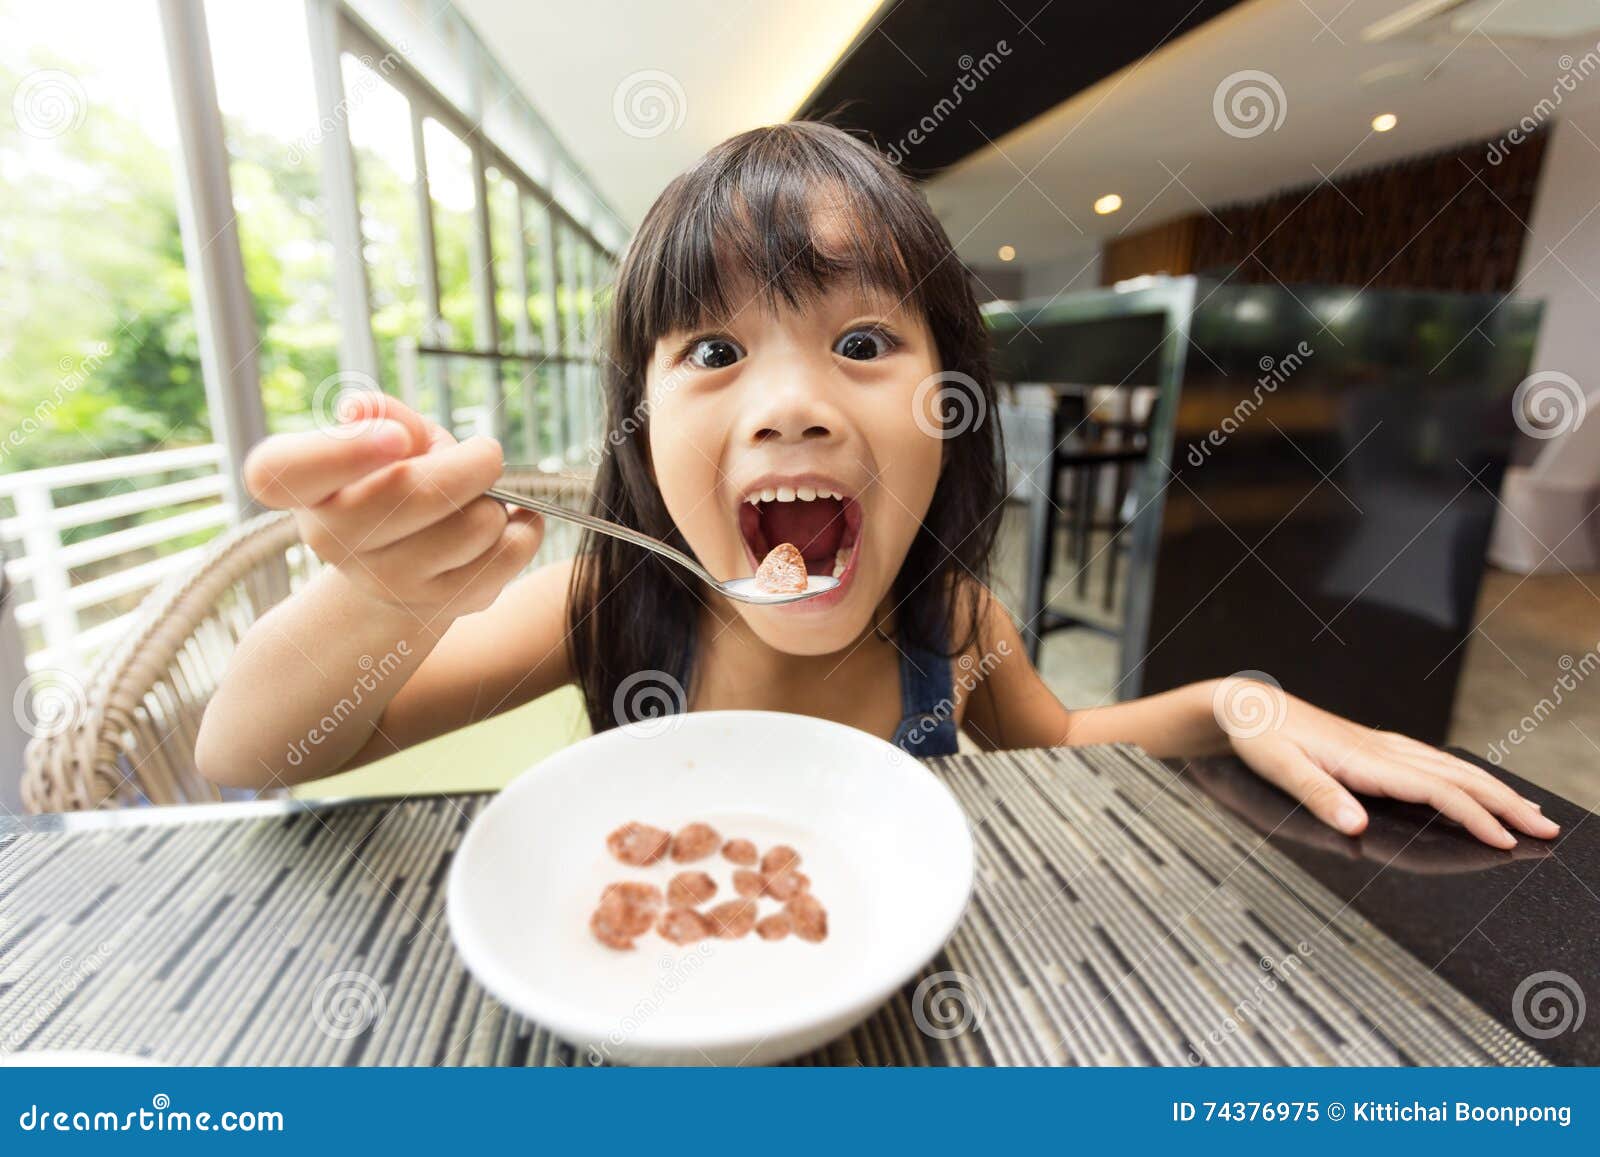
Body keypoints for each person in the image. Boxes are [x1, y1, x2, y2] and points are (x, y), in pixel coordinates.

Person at [197, 122, 1555, 851]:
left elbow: (1058, 751)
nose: (791, 402)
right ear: (640, 423)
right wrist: (374, 598)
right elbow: (249, 758)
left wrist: (1225, 699)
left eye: (861, 343)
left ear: (950, 408)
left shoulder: (953, 629)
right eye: (716, 351)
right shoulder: (613, 600)